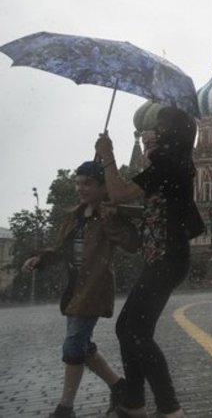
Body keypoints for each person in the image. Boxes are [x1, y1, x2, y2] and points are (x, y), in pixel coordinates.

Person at [95, 106, 205, 418]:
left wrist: (107, 155)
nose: (154, 132)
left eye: (161, 126)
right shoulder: (174, 164)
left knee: (135, 332)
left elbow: (118, 192)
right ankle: (134, 402)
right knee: (127, 328)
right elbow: (157, 209)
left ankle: (168, 408)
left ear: (174, 133)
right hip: (164, 256)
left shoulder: (168, 164)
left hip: (167, 257)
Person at [22, 161, 138, 418]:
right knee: (81, 346)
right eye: (78, 183)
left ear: (101, 187)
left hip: (94, 288)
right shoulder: (74, 215)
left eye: (87, 183)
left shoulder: (109, 214)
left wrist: (110, 221)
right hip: (74, 288)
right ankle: (120, 387)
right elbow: (60, 249)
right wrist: (39, 259)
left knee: (73, 346)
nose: (80, 188)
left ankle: (65, 408)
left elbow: (131, 243)